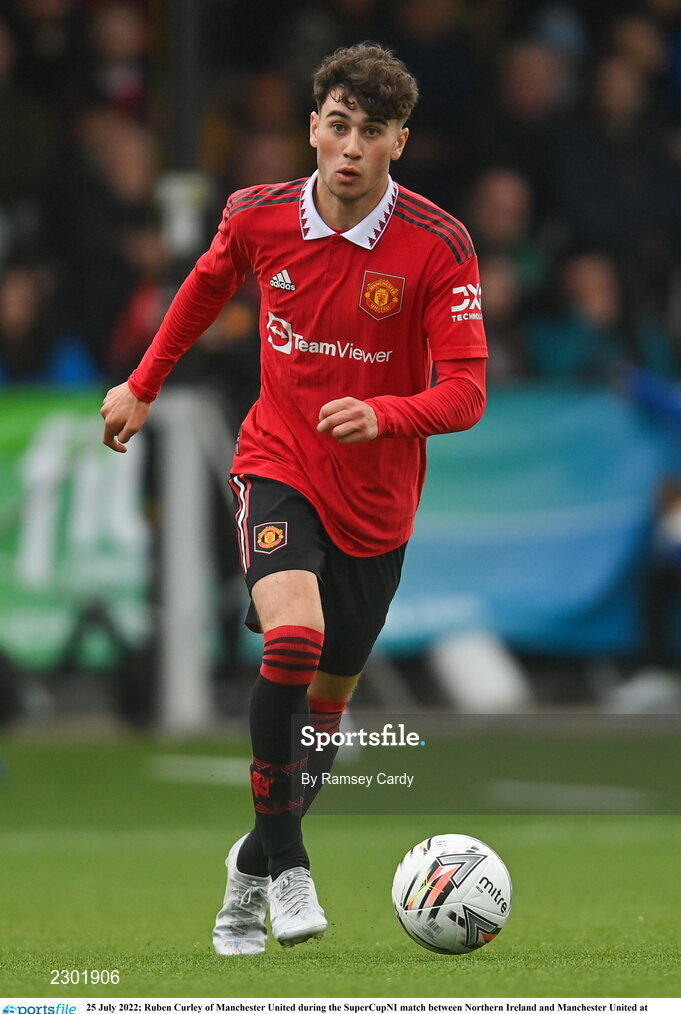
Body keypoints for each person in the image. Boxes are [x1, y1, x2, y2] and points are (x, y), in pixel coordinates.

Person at [100, 42, 488, 954]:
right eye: (338, 125)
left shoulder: (437, 244)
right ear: (313, 128)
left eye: (372, 131)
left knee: (324, 710)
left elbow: (467, 392)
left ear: (399, 142)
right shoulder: (258, 215)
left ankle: (249, 867)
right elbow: (204, 287)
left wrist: (386, 414)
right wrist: (143, 384)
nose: (351, 147)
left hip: (378, 505)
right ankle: (291, 867)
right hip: (277, 459)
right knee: (293, 637)